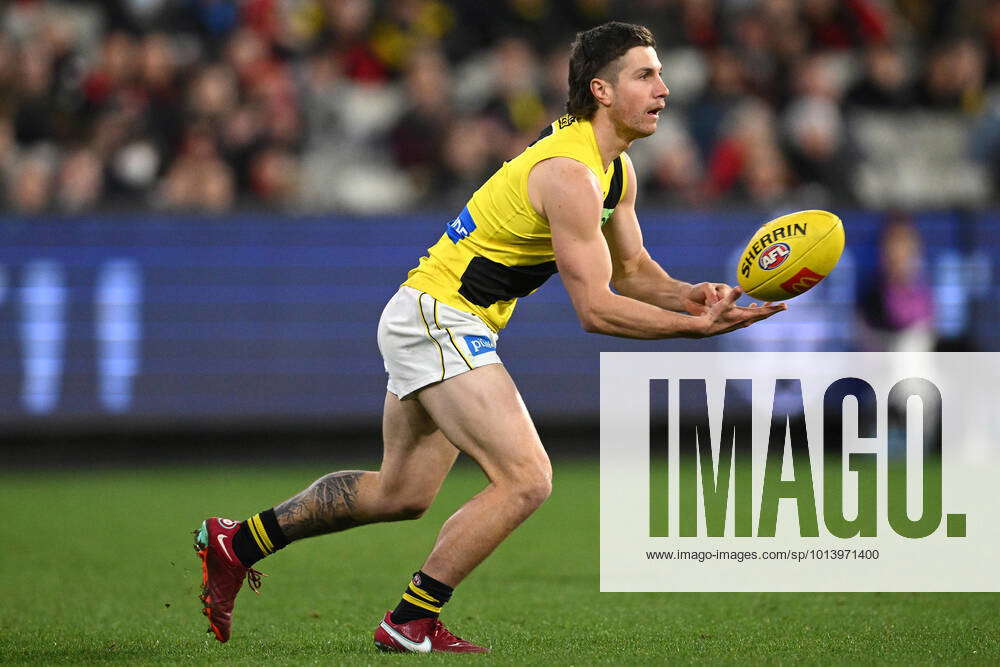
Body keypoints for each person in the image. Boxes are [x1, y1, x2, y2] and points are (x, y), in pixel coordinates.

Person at [193, 21, 786, 654]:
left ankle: (238, 541)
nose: (664, 89)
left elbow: (635, 272)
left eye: (660, 73)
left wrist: (694, 295)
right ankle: (410, 620)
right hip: (440, 317)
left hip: (429, 313)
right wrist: (692, 328)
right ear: (601, 91)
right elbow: (595, 308)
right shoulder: (570, 173)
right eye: (645, 74)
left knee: (401, 494)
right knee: (527, 478)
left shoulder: (613, 172)